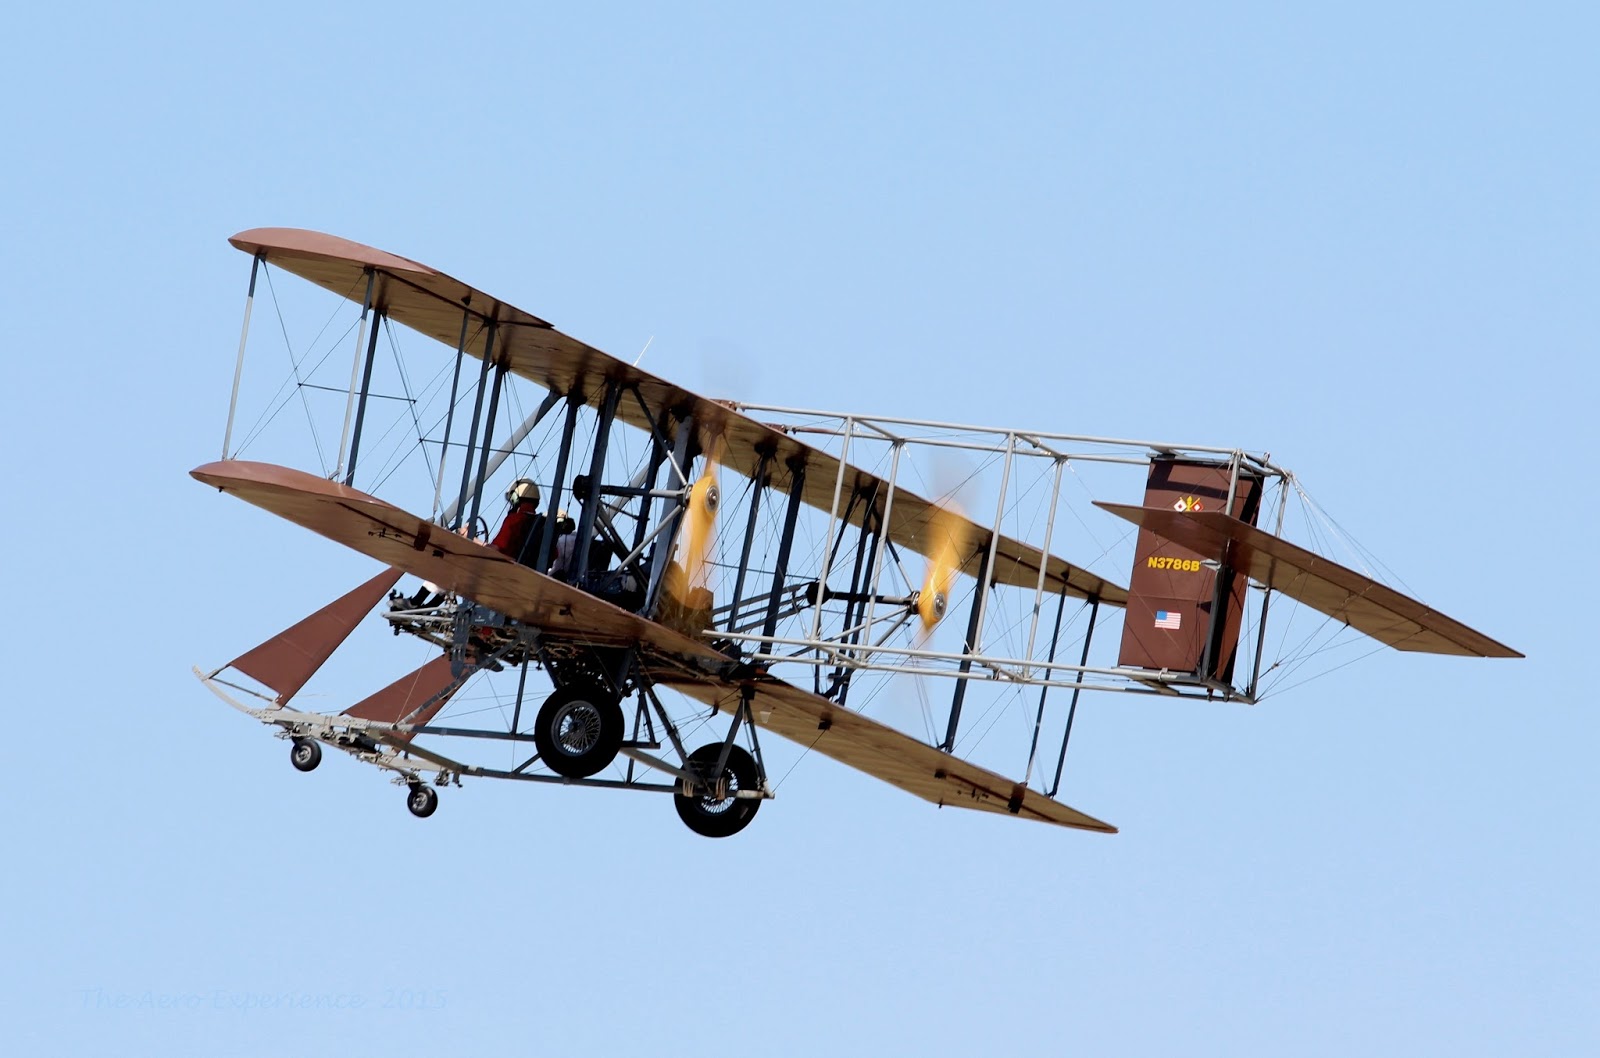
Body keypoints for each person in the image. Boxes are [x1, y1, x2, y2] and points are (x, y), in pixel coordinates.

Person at [491, 478, 546, 567]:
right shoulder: (544, 525)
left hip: (507, 568)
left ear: (515, 499)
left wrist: (470, 539)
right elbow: (555, 554)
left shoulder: (514, 520)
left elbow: (494, 549)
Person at [548, 510, 578, 580]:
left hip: (553, 577)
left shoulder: (560, 541)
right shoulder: (579, 541)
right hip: (569, 578)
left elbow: (555, 564)